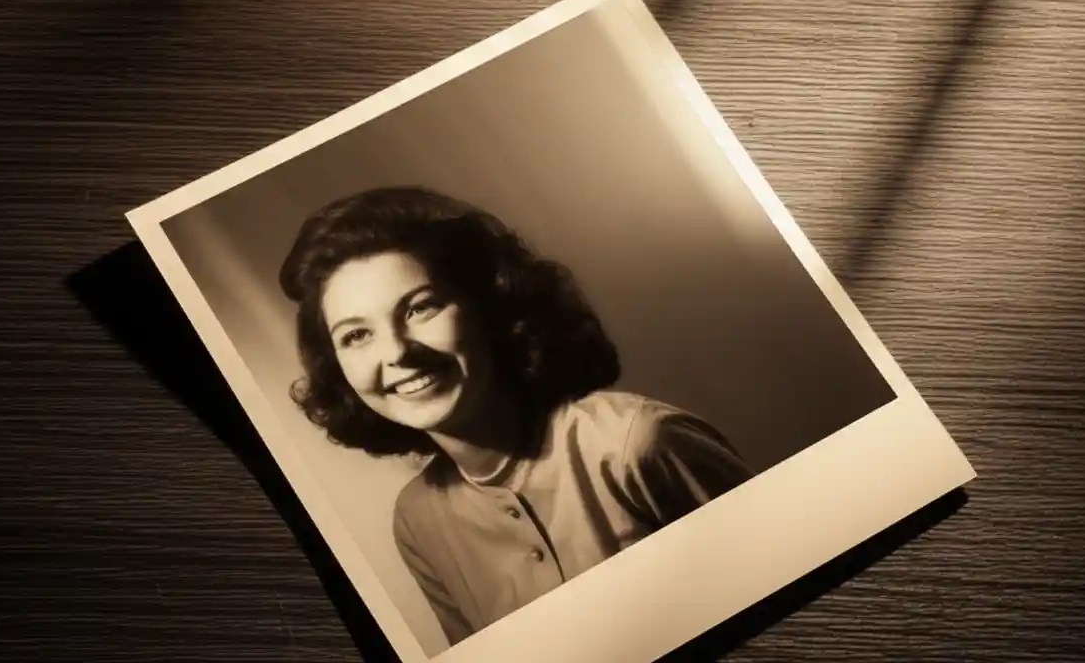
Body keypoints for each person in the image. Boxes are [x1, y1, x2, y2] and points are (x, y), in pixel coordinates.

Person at [278, 186, 753, 645]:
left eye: (421, 308)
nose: (398, 352)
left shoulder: (638, 443)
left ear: (489, 307)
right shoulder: (417, 521)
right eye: (356, 336)